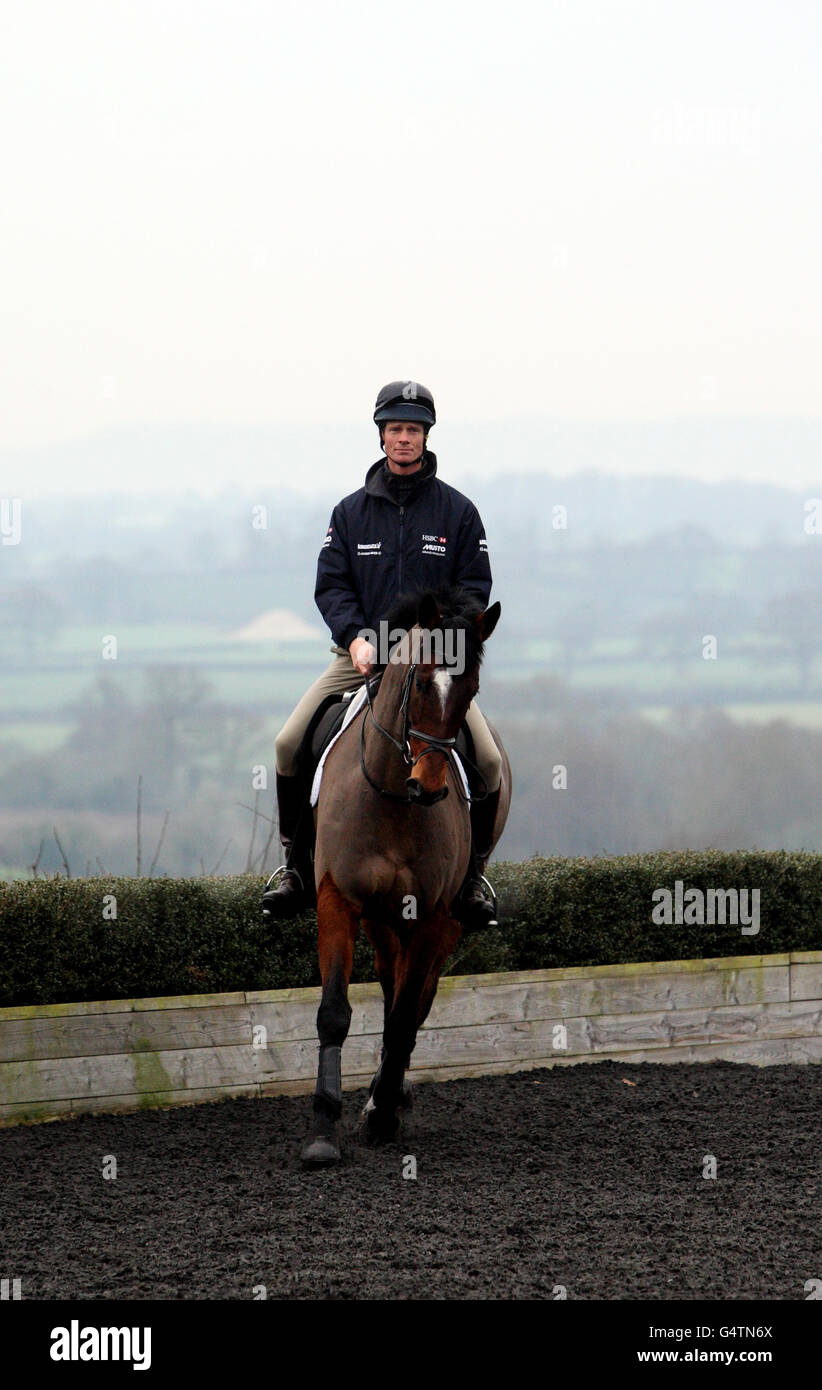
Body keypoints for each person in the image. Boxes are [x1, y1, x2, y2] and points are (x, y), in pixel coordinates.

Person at [263, 380, 503, 929]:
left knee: (488, 760)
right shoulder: (349, 514)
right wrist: (355, 637)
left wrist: (439, 641)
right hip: (362, 656)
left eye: (412, 430)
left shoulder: (459, 513)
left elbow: (475, 589)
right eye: (394, 429)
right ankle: (296, 869)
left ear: (425, 437)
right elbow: (331, 586)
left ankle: (473, 880)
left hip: (435, 662)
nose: (403, 438)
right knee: (287, 744)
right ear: (381, 436)